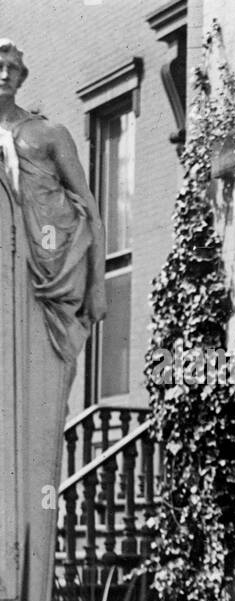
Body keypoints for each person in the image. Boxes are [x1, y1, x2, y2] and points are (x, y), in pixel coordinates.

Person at [0, 38, 106, 370]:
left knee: (43, 366)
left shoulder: (48, 133)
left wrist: (98, 285)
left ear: (22, 76)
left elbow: (90, 209)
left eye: (12, 68)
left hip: (47, 249)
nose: (4, 74)